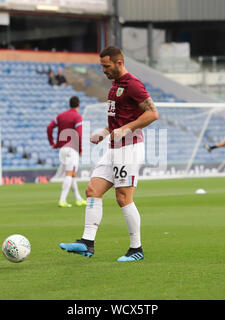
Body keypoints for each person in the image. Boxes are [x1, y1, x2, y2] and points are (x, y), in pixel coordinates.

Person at [59, 46, 159, 262]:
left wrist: (126, 129)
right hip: (113, 148)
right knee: (92, 189)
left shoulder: (133, 84)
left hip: (129, 148)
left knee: (123, 197)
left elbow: (153, 113)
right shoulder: (115, 86)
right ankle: (87, 243)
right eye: (101, 66)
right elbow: (119, 118)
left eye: (106, 66)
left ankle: (136, 249)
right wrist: (105, 132)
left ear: (119, 63)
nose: (103, 70)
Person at [47, 96, 86, 208]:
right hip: (72, 149)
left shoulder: (60, 116)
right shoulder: (77, 117)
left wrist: (52, 142)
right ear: (78, 105)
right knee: (70, 174)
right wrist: (80, 149)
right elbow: (79, 134)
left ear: (69, 104)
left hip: (62, 149)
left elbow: (49, 127)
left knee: (72, 174)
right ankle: (62, 200)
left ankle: (78, 199)